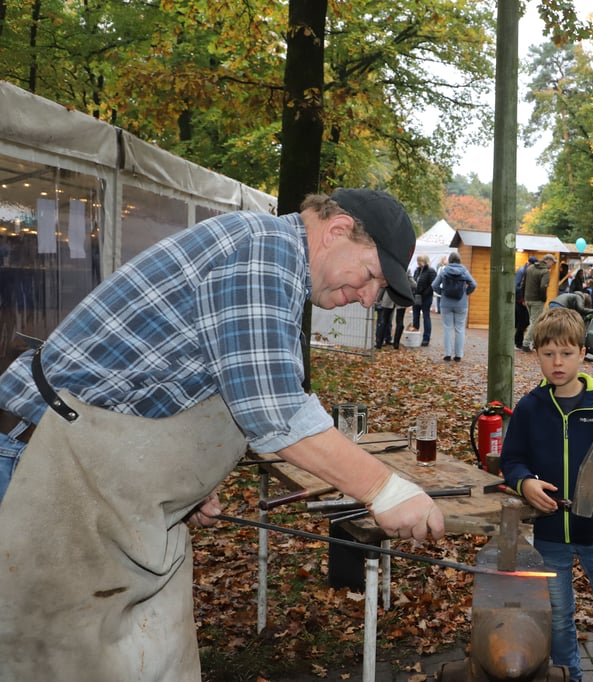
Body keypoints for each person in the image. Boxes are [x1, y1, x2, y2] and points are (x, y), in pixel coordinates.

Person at [0, 190, 445, 681]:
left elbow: (183, 383)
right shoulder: (263, 250)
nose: (367, 298)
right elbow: (274, 410)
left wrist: (176, 484)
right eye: (371, 276)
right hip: (33, 460)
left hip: (92, 476)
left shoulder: (271, 265)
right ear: (337, 230)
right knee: (40, 659)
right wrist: (385, 489)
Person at [500, 307, 593, 682]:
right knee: (559, 621)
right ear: (536, 355)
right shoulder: (530, 407)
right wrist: (524, 483)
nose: (557, 363)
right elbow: (511, 460)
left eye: (566, 353)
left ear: (582, 352)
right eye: (548, 354)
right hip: (550, 534)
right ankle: (569, 677)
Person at [431, 250, 476, 362]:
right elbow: (473, 284)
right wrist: (466, 293)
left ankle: (447, 354)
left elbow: (434, 285)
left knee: (447, 328)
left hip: (446, 303)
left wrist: (442, 293)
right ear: (459, 260)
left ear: (449, 260)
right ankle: (458, 355)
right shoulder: (464, 271)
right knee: (460, 329)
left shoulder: (444, 271)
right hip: (461, 303)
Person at [522, 253, 555, 351]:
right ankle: (526, 343)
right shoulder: (545, 272)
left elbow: (523, 284)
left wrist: (523, 297)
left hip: (527, 299)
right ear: (548, 260)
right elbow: (543, 286)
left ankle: (534, 342)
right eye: (552, 262)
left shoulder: (530, 268)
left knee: (532, 321)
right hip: (537, 300)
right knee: (535, 322)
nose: (552, 265)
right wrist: (543, 298)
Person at [411, 254, 436, 347]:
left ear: (425, 261)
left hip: (426, 298)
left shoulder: (431, 271)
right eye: (418, 261)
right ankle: (415, 336)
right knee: (415, 317)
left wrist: (424, 293)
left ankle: (426, 339)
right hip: (416, 297)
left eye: (420, 261)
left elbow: (432, 285)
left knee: (426, 317)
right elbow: (414, 281)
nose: (418, 263)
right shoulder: (417, 270)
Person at [514, 256, 537, 351]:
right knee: (523, 321)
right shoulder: (522, 271)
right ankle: (518, 342)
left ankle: (518, 342)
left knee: (523, 322)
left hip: (522, 300)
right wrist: (522, 299)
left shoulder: (524, 270)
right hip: (520, 301)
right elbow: (517, 286)